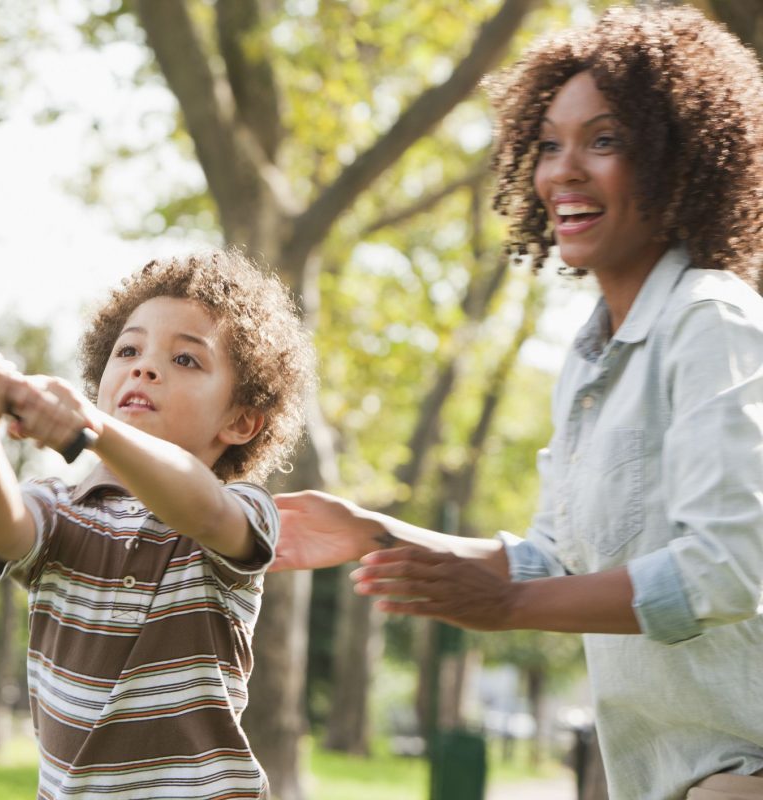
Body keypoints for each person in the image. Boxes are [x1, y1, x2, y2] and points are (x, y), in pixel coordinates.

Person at [271, 7, 763, 800]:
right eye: (548, 145)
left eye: (604, 140)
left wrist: (510, 606)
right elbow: (554, 560)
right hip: (660, 776)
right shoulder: (590, 356)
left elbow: (727, 571)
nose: (562, 170)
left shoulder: (711, 317)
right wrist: (377, 533)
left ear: (680, 161)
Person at [0, 250, 315, 799]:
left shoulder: (241, 512)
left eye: (186, 360)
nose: (144, 367)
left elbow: (201, 507)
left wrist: (94, 427)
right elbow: (1, 529)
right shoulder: (59, 507)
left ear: (240, 421)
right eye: (129, 350)